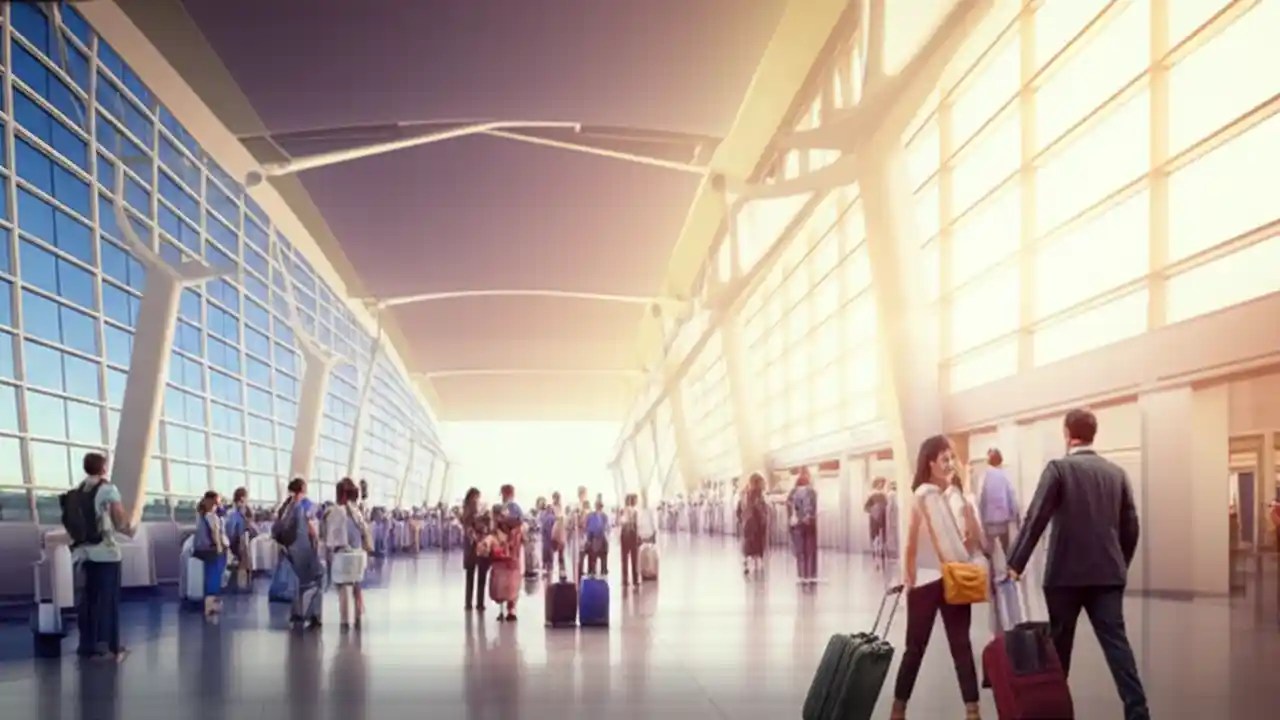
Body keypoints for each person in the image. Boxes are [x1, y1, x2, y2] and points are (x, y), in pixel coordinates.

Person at [1007, 409, 1149, 720]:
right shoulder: (1116, 474)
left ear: (1067, 434)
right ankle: (1138, 713)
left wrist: (1016, 563)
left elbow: (1036, 517)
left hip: (1064, 576)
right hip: (1107, 576)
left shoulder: (1058, 469)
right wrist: (1119, 564)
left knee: (1059, 653)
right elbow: (1132, 526)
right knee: (1117, 647)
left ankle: (1054, 713)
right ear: (1092, 434)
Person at [890, 436, 984, 720]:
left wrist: (966, 502)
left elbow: (970, 542)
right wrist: (908, 578)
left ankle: (972, 710)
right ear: (930, 463)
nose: (949, 464)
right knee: (916, 648)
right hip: (926, 581)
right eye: (944, 459)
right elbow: (909, 543)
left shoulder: (954, 497)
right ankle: (899, 707)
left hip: (953, 577)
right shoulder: (923, 496)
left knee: (960, 645)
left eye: (951, 458)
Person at [71, 452, 134, 661]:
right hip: (106, 553)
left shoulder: (80, 490)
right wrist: (127, 522)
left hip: (84, 553)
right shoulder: (108, 489)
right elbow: (120, 520)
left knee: (89, 600)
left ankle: (87, 645)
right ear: (103, 468)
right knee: (108, 601)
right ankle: (110, 648)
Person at [325, 478, 371, 629]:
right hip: (358, 555)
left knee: (344, 590)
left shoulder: (337, 511)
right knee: (356, 587)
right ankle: (358, 614)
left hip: (343, 556)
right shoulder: (356, 512)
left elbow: (331, 536)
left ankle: (345, 621)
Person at [279, 478, 324, 630]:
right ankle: (313, 614)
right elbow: (311, 528)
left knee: (297, 581)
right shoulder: (306, 505)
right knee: (315, 580)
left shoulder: (286, 506)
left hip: (290, 548)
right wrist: (316, 542)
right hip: (305, 548)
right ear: (303, 488)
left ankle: (296, 612)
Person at [978, 448, 1019, 558]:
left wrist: (980, 519)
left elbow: (980, 499)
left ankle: (991, 573)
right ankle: (1009, 570)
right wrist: (1015, 515)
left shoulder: (984, 476)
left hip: (989, 519)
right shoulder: (1004, 475)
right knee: (1007, 549)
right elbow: (1012, 496)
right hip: (1003, 518)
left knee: (989, 550)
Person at [193, 491, 228, 618]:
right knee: (214, 577)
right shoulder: (211, 516)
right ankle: (210, 607)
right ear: (212, 501)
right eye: (218, 501)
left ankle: (210, 606)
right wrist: (219, 547)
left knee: (209, 576)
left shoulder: (200, 515)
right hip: (213, 550)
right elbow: (215, 532)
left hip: (204, 550)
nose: (219, 504)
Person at [461, 487, 491, 612]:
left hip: (472, 546)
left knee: (471, 575)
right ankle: (479, 603)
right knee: (480, 576)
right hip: (476, 545)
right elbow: (472, 527)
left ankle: (469, 603)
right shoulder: (471, 512)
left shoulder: (466, 511)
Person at [787, 468, 818, 583]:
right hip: (810, 524)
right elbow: (814, 508)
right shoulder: (812, 491)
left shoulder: (793, 492)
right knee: (810, 551)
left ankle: (801, 576)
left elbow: (789, 506)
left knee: (800, 551)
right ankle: (810, 575)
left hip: (797, 525)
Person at [224, 487, 255, 590]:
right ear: (242, 498)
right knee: (245, 557)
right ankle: (242, 585)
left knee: (245, 557)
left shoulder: (231, 512)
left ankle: (241, 582)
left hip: (231, 541)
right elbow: (235, 531)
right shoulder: (236, 513)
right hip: (235, 542)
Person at [739, 473, 769, 575]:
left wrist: (742, 519)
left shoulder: (745, 494)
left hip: (747, 523)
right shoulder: (756, 494)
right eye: (762, 482)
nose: (763, 484)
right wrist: (764, 515)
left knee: (749, 543)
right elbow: (759, 508)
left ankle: (747, 562)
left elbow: (739, 509)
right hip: (756, 523)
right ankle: (757, 563)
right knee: (757, 543)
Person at [864, 476, 889, 567]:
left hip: (881, 517)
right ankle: (876, 550)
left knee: (879, 535)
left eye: (882, 484)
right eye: (880, 483)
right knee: (876, 535)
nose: (881, 485)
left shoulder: (882, 495)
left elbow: (886, 506)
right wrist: (874, 510)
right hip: (876, 518)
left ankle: (879, 550)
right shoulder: (874, 495)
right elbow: (866, 508)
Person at [541, 492, 567, 578]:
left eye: (558, 497)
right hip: (553, 531)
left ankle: (562, 571)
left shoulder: (561, 507)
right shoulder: (551, 508)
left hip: (560, 532)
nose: (557, 499)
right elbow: (549, 519)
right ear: (553, 498)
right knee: (551, 551)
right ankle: (549, 570)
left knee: (561, 553)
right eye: (556, 497)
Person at [619, 493, 641, 587]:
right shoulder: (635, 511)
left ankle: (625, 579)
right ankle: (635, 579)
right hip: (632, 535)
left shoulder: (622, 511)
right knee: (634, 558)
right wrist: (638, 536)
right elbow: (636, 525)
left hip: (624, 535)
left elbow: (620, 522)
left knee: (624, 558)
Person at [584, 499, 610, 576]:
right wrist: (589, 539)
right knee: (593, 558)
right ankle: (593, 572)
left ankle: (603, 570)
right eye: (597, 506)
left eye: (599, 506)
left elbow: (607, 528)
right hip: (595, 538)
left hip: (601, 539)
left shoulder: (604, 516)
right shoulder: (591, 515)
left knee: (602, 557)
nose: (598, 507)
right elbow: (588, 528)